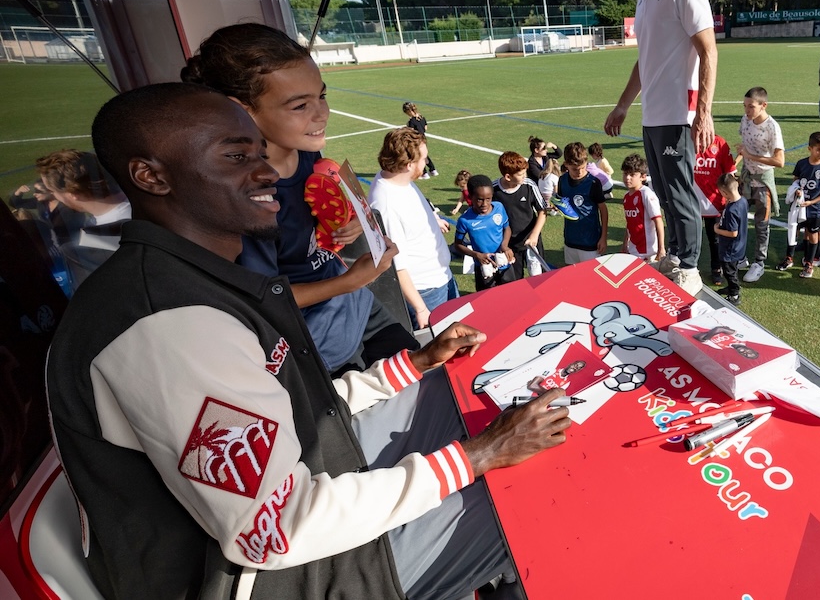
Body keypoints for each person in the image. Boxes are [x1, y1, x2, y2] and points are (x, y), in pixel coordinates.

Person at [47, 82, 570, 600]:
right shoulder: (168, 327)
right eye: (235, 156)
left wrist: (413, 364)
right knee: (530, 494)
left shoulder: (194, 277)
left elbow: (289, 410)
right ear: (151, 176)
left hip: (303, 486)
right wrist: (480, 455)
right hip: (277, 579)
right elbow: (275, 530)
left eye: (259, 153)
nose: (266, 172)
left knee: (454, 395)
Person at [182, 23, 411, 374]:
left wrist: (346, 222)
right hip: (311, 336)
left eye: (322, 96)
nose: (322, 113)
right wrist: (350, 281)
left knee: (424, 371)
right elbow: (261, 298)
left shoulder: (305, 153)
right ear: (240, 111)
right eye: (300, 105)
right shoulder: (247, 200)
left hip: (353, 302)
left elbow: (313, 215)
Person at [605, 0, 717, 297]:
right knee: (666, 195)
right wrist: (623, 105)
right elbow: (645, 60)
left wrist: (703, 112)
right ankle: (677, 256)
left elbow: (708, 51)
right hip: (652, 116)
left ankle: (690, 267)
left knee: (681, 195)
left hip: (677, 115)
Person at [368, 128, 458, 329]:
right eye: (423, 159)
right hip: (427, 292)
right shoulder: (386, 204)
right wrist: (421, 308)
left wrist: (433, 220)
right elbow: (396, 265)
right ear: (408, 164)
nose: (426, 163)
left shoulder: (399, 180)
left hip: (442, 278)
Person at [32, 149, 131, 291]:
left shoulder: (101, 240)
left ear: (73, 194)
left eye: (52, 191)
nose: (54, 196)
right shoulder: (144, 199)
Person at [737, 87, 784, 281]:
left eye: (751, 106)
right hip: (745, 178)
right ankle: (739, 257)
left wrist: (751, 156)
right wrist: (734, 164)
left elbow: (779, 161)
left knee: (761, 224)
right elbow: (744, 148)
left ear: (763, 105)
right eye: (745, 106)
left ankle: (759, 263)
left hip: (763, 182)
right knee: (737, 217)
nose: (747, 110)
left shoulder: (772, 127)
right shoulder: (745, 120)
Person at [780, 133, 820, 278]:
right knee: (794, 231)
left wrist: (812, 201)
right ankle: (789, 258)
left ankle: (809, 263)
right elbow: (796, 181)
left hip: (815, 209)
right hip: (799, 206)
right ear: (810, 148)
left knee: (813, 234)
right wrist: (796, 191)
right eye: (819, 149)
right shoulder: (801, 164)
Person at [454, 174, 515, 291]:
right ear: (470, 197)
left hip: (504, 262)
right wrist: (477, 255)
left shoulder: (499, 208)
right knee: (487, 298)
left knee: (511, 293)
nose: (484, 204)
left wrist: (504, 245)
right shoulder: (465, 220)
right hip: (484, 267)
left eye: (488, 199)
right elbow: (458, 245)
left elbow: (507, 228)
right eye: (479, 200)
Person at [492, 152, 547, 280]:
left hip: (532, 241)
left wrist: (534, 235)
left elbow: (542, 211)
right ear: (508, 176)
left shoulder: (529, 185)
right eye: (521, 174)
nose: (525, 176)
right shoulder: (494, 190)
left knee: (541, 278)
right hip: (510, 246)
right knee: (515, 281)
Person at [692, 134, 736, 284]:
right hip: (692, 201)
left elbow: (730, 173)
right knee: (690, 238)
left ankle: (716, 268)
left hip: (715, 204)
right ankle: (689, 268)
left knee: (715, 239)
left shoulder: (720, 143)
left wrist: (731, 197)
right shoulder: (687, 140)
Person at [557, 141, 609, 264]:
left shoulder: (593, 183)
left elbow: (603, 210)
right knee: (572, 274)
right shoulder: (562, 181)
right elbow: (562, 203)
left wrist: (603, 237)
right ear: (566, 164)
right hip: (570, 240)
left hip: (590, 241)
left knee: (592, 275)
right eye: (575, 169)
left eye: (583, 167)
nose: (580, 172)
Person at [621, 153, 666, 262]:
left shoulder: (647, 194)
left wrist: (661, 248)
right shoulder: (626, 197)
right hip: (633, 250)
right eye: (625, 173)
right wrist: (625, 244)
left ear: (643, 177)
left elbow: (658, 221)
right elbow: (630, 223)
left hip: (648, 252)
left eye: (632, 174)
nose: (627, 178)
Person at [713, 173, 747, 306]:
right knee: (732, 270)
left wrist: (717, 230)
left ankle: (734, 294)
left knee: (729, 272)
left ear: (724, 192)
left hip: (729, 249)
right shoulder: (742, 201)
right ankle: (732, 288)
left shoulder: (732, 210)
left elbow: (733, 233)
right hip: (738, 246)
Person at [403, 102, 437, 179]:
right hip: (423, 138)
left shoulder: (411, 121)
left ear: (409, 111)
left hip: (416, 139)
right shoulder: (421, 117)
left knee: (418, 156)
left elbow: (411, 131)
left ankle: (424, 173)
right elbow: (425, 128)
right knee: (424, 155)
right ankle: (432, 169)